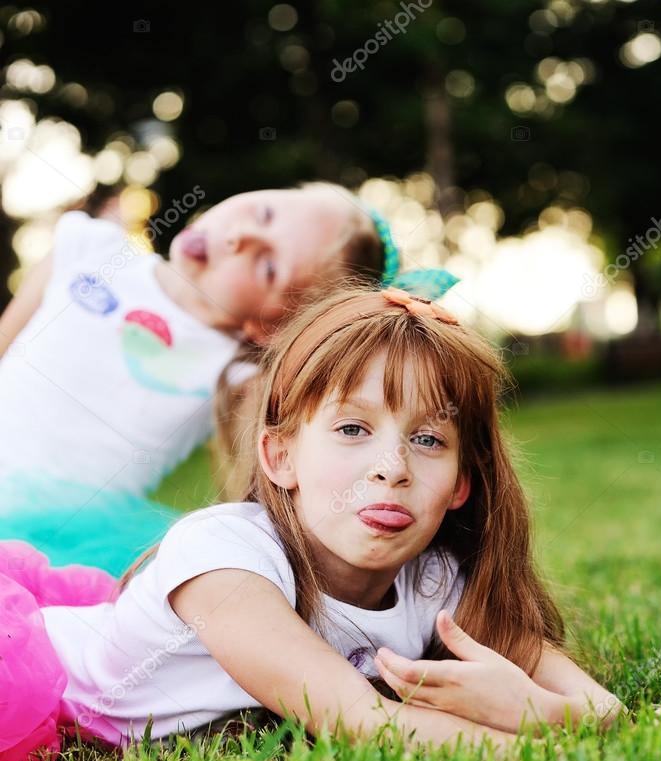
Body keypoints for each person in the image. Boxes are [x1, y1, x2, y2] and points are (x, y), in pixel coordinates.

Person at [0, 284, 621, 761]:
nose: (391, 467)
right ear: (280, 457)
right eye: (353, 429)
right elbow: (360, 719)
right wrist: (548, 738)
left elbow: (606, 711)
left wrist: (539, 708)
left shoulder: (437, 581)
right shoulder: (223, 557)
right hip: (41, 683)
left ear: (462, 485)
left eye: (429, 439)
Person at [0, 183, 396, 575]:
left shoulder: (239, 373)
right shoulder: (90, 248)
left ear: (272, 327)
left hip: (57, 537)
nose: (239, 238)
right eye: (264, 213)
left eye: (268, 266)